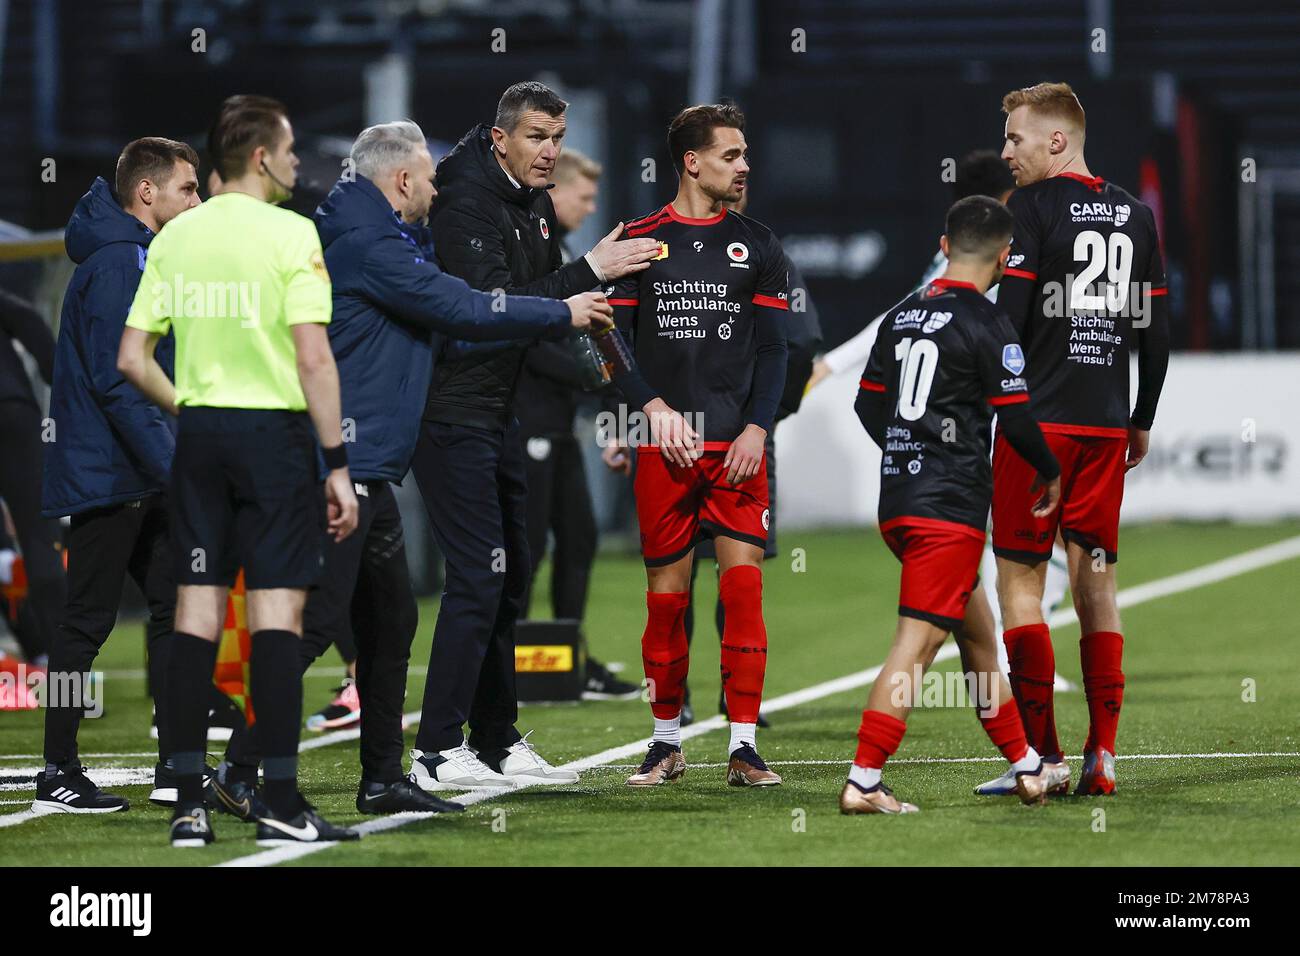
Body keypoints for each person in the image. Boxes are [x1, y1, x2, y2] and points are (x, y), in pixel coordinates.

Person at [211, 120, 608, 817]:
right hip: (344, 463)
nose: (437, 188)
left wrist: (487, 147)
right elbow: (458, 306)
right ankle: (239, 767)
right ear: (400, 182)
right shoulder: (370, 245)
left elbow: (447, 279)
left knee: (391, 620)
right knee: (315, 619)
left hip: (372, 466)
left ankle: (384, 777)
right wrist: (561, 308)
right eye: (427, 178)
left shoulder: (381, 234)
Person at [119, 94, 360, 846]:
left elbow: (131, 358)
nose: (296, 164)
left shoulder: (177, 238)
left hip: (201, 441)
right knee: (276, 619)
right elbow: (314, 357)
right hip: (274, 439)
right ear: (261, 156)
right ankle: (280, 802)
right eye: (289, 151)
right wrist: (337, 463)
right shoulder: (292, 234)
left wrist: (189, 407)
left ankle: (188, 803)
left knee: (194, 614)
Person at [407, 80, 650, 792]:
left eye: (558, 138)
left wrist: (629, 397)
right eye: (538, 137)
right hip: (451, 410)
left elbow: (567, 311)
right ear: (500, 139)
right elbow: (488, 309)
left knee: (507, 578)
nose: (551, 152)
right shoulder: (463, 202)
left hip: (501, 410)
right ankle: (433, 749)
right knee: (479, 577)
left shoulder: (533, 205)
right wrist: (586, 273)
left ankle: (494, 738)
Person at [840, 196, 1067, 814]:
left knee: (979, 639)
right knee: (914, 645)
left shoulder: (901, 316)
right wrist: (1049, 472)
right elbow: (1016, 419)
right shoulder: (989, 323)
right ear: (1003, 257)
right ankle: (863, 780)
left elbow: (866, 405)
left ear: (945, 247)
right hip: (949, 510)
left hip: (900, 502)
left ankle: (1026, 766)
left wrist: (907, 448)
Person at [605, 103, 789, 788]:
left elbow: (775, 352)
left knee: (743, 592)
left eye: (744, 154)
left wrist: (756, 428)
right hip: (666, 450)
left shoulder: (760, 245)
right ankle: (665, 743)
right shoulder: (639, 241)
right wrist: (648, 411)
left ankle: (744, 746)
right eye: (732, 154)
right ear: (692, 161)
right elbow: (609, 341)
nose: (744, 166)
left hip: (736, 449)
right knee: (667, 601)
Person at [992, 82, 1169, 796]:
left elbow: (1007, 323)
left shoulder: (1030, 210)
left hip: (1038, 427)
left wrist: (1000, 407)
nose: (1006, 152)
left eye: (1016, 138)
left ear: (1056, 141)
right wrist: (1142, 417)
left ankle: (1044, 759)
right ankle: (1104, 756)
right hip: (1103, 427)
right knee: (1098, 585)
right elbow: (1152, 334)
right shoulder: (1136, 214)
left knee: (1019, 585)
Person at [33, 140, 201, 815]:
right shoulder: (120, 263)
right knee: (84, 624)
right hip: (112, 475)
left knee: (172, 605)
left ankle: (174, 762)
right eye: (187, 190)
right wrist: (175, 468)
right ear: (147, 195)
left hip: (135, 471)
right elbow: (118, 381)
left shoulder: (134, 257)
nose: (197, 202)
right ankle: (57, 767)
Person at [670, 186, 823, 727]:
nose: (740, 172)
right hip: (737, 437)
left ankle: (679, 697)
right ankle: (729, 702)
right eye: (731, 159)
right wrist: (767, 417)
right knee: (737, 571)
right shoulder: (765, 252)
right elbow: (799, 343)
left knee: (681, 570)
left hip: (677, 436)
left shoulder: (659, 246)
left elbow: (630, 341)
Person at [516, 147, 639, 700]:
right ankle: (509, 663)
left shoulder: (561, 254)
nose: (590, 209)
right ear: (556, 193)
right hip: (526, 422)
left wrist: (606, 399)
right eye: (584, 197)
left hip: (559, 421)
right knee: (524, 548)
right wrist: (596, 381)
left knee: (579, 537)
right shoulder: (534, 251)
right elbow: (529, 339)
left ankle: (566, 658)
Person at [0, 288, 61, 668]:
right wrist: (56, 371)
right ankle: (68, 682)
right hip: (12, 410)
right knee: (41, 542)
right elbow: (27, 317)